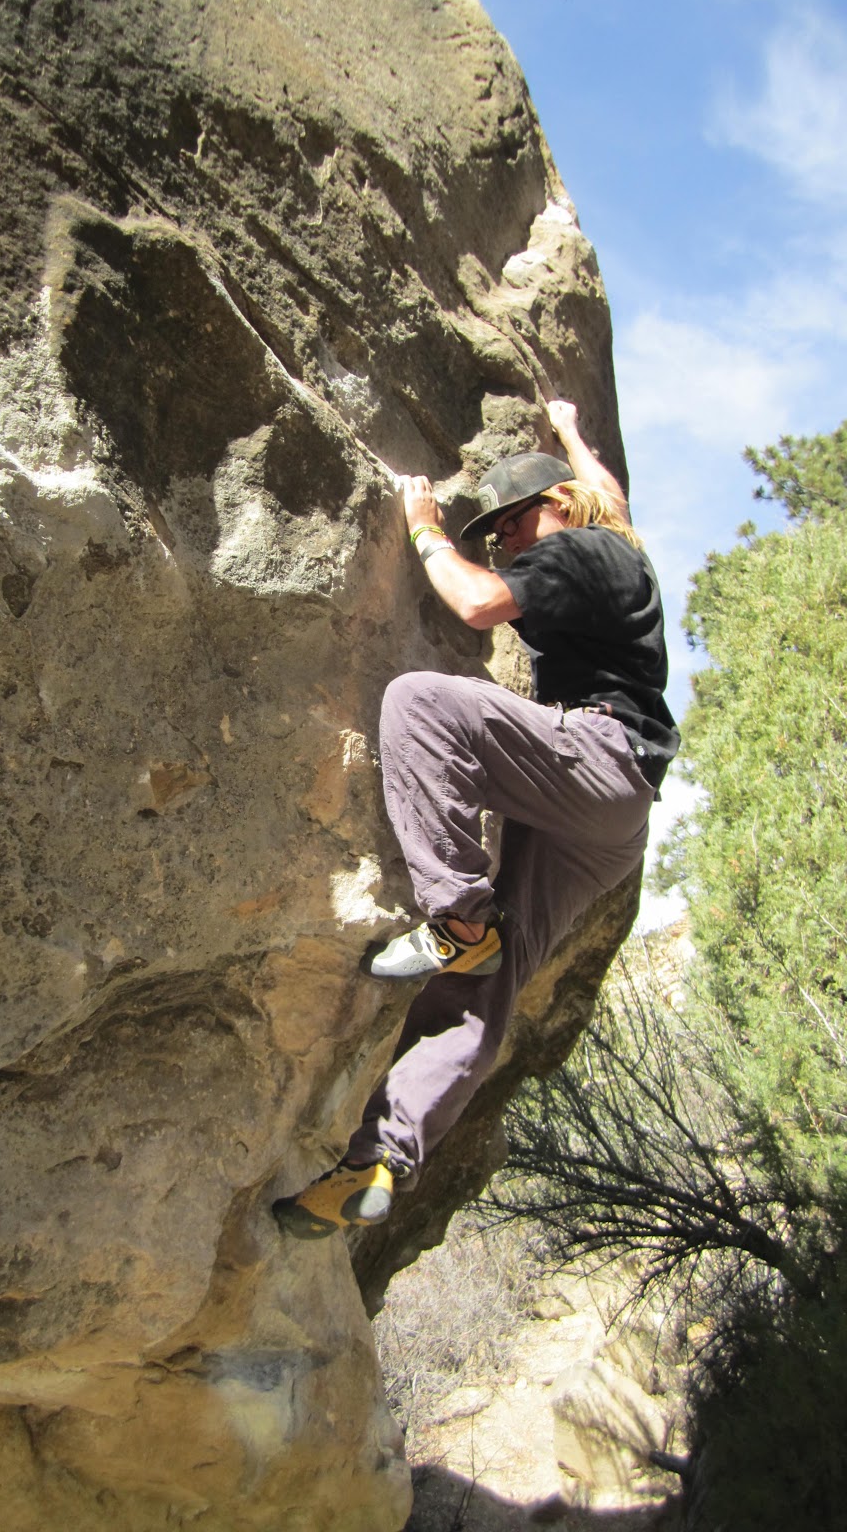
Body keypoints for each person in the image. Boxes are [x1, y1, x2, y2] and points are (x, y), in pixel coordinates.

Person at [273, 399, 679, 1239]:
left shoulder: (578, 547)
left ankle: (458, 916)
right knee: (486, 986)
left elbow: (480, 604)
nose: (508, 543)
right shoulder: (620, 542)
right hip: (612, 819)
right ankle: (377, 1162)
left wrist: (427, 530)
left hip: (596, 761)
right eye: (496, 536)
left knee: (422, 704)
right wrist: (568, 426)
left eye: (516, 523)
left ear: (560, 508)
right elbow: (610, 490)